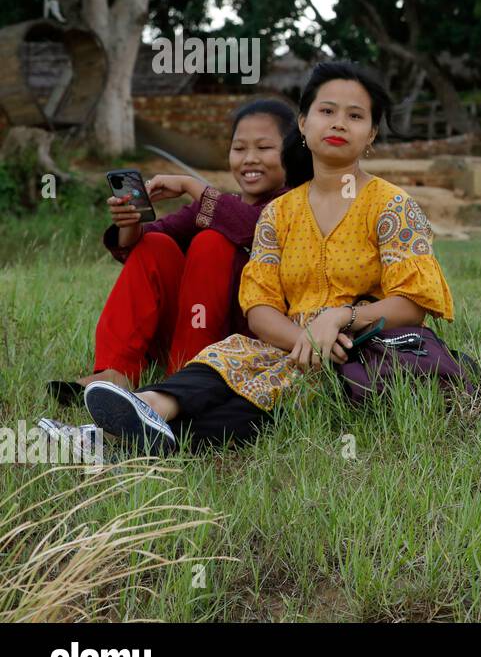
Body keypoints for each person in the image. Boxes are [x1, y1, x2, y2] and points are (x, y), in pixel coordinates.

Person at [70, 62, 455, 455]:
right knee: (229, 357)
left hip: (355, 346)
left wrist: (340, 318)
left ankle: (113, 441)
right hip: (286, 342)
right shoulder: (280, 212)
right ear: (303, 124)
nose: (339, 123)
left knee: (271, 397)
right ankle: (148, 406)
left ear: (371, 133)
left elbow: (414, 303)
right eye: (327, 111)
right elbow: (259, 307)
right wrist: (303, 340)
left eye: (355, 116)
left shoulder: (392, 205)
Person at [47, 99, 294, 404]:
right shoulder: (219, 204)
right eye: (239, 148)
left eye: (264, 148)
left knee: (210, 242)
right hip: (190, 327)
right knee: (155, 245)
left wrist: (191, 184)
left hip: (241, 346)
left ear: (292, 152)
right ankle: (116, 371)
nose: (249, 159)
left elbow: (253, 228)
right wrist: (131, 225)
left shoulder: (295, 206)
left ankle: (184, 379)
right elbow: (146, 243)